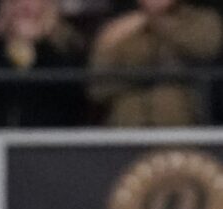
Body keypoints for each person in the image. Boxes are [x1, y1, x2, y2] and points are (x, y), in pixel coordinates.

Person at [88, 0, 223, 126]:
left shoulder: (202, 19)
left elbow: (207, 48)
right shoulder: (119, 27)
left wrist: (156, 20)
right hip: (128, 124)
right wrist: (112, 39)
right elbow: (98, 87)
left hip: (180, 122)